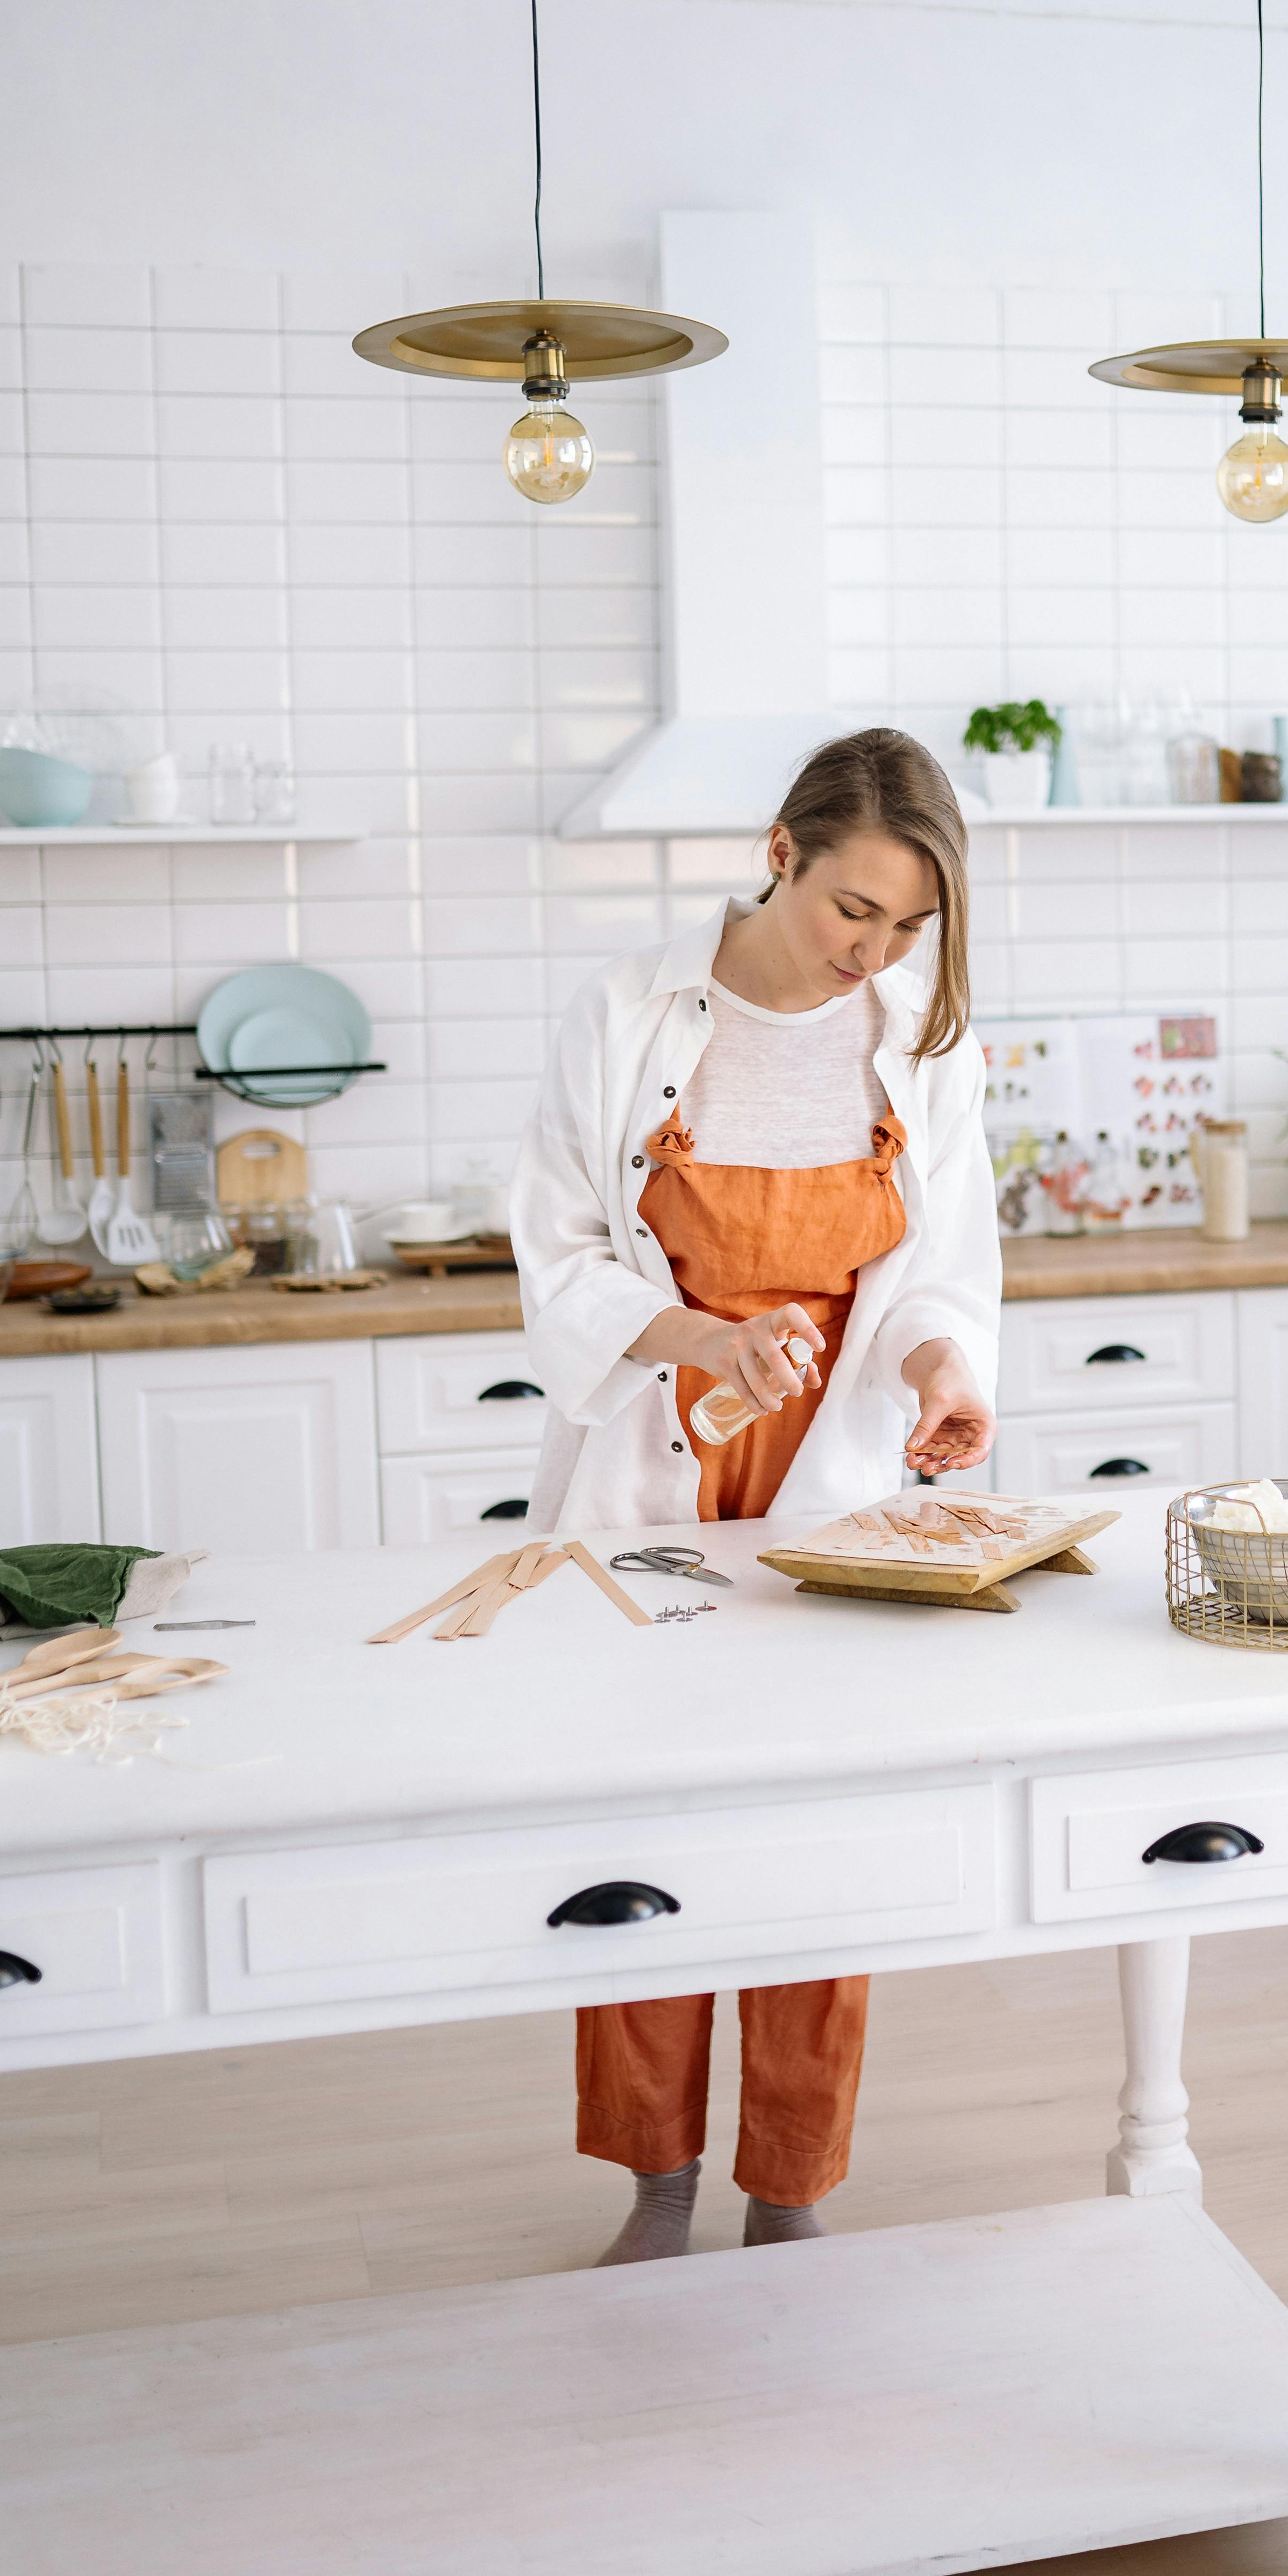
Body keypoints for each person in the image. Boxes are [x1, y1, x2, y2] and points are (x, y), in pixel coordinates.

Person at [511, 726, 1001, 2265]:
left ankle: (789, 2192)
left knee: (820, 1845)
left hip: (834, 1471)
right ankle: (656, 2185)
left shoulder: (921, 1041)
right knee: (645, 1839)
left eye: (910, 925)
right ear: (780, 853)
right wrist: (703, 1336)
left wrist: (942, 1379)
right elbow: (561, 1254)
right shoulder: (629, 1010)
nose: (878, 950)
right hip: (664, 1447)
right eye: (855, 909)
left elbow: (938, 1274)